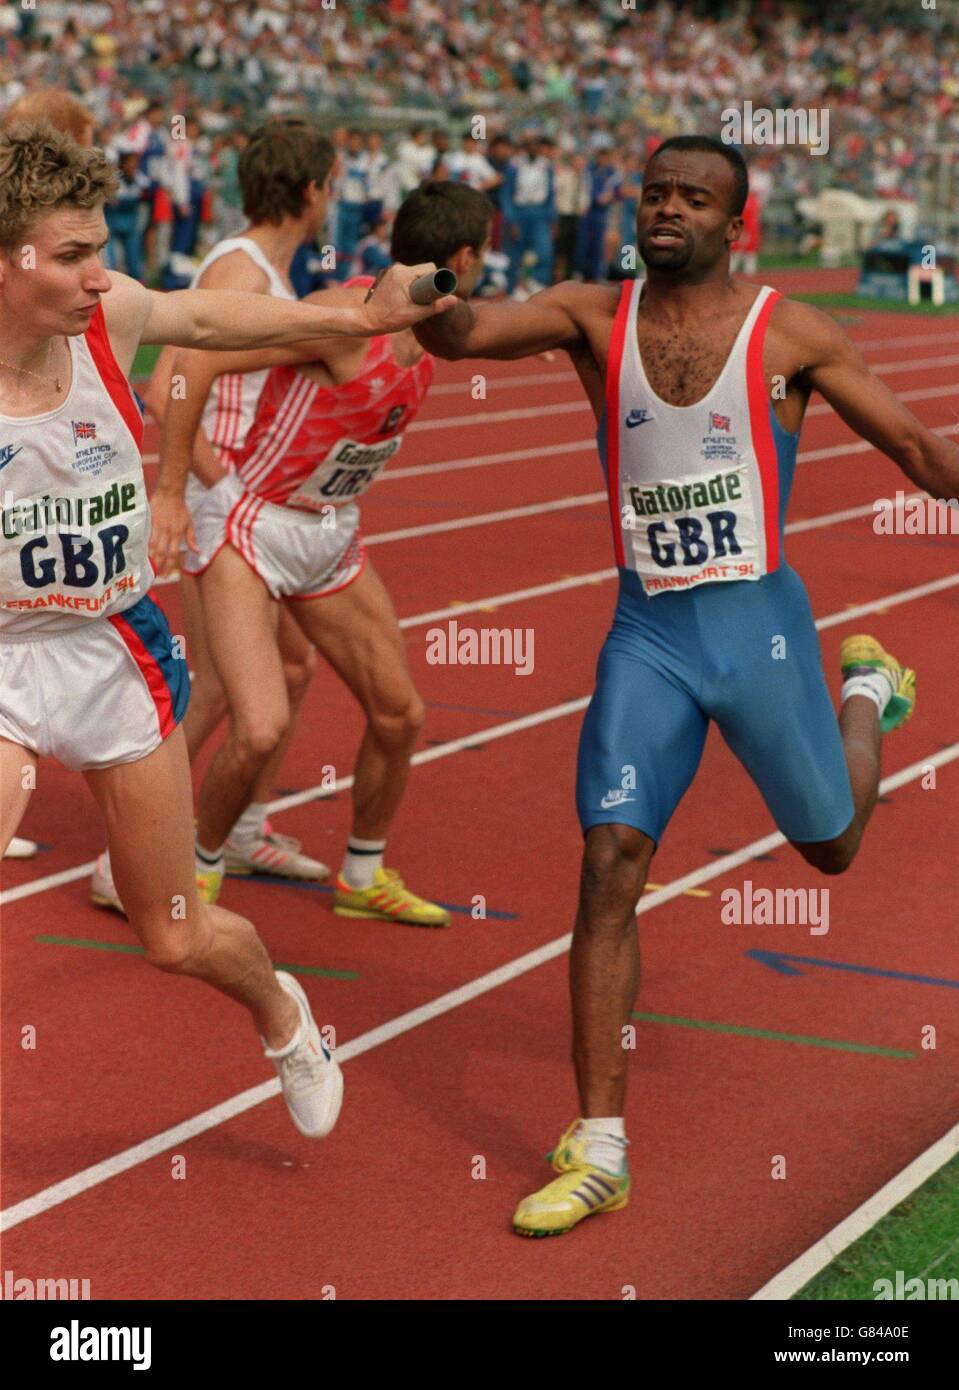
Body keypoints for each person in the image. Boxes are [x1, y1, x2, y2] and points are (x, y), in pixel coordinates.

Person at [413, 134, 959, 1236]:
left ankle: (863, 690)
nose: (666, 210)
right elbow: (462, 333)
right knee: (609, 857)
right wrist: (422, 278)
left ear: (732, 223)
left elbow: (912, 444)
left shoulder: (787, 332)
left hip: (756, 632)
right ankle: (601, 1144)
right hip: (646, 635)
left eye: (692, 199)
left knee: (830, 845)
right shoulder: (588, 315)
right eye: (654, 192)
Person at [0, 121, 455, 1141]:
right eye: (72, 256)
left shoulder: (108, 326)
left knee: (174, 937)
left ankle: (284, 1016)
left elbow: (209, 320)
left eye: (100, 248)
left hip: (114, 655)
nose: (97, 275)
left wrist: (359, 314)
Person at [150, 182, 491, 924]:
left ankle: (362, 878)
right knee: (260, 722)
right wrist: (173, 492)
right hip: (253, 526)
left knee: (399, 715)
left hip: (330, 530)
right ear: (466, 256)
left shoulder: (440, 320)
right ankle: (196, 873)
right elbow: (190, 364)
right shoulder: (345, 321)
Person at [91, 117, 341, 912]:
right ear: (311, 190)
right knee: (229, 689)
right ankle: (123, 859)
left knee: (292, 667)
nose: (332, 198)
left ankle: (242, 829)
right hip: (218, 495)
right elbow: (170, 378)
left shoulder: (265, 264)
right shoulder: (242, 270)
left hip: (249, 491)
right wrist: (187, 486)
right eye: (330, 184)